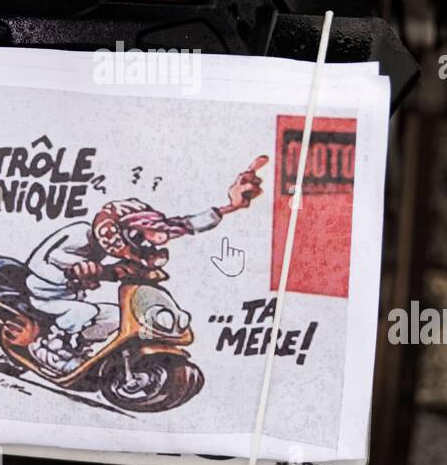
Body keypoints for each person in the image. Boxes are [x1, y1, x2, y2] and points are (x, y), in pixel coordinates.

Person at [22, 156, 267, 371]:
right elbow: (39, 262)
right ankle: (48, 348)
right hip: (44, 295)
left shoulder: (122, 245)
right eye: (139, 235)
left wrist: (231, 206)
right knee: (84, 312)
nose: (146, 244)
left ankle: (77, 345)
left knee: (115, 317)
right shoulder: (80, 233)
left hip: (72, 296)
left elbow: (184, 226)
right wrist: (74, 268)